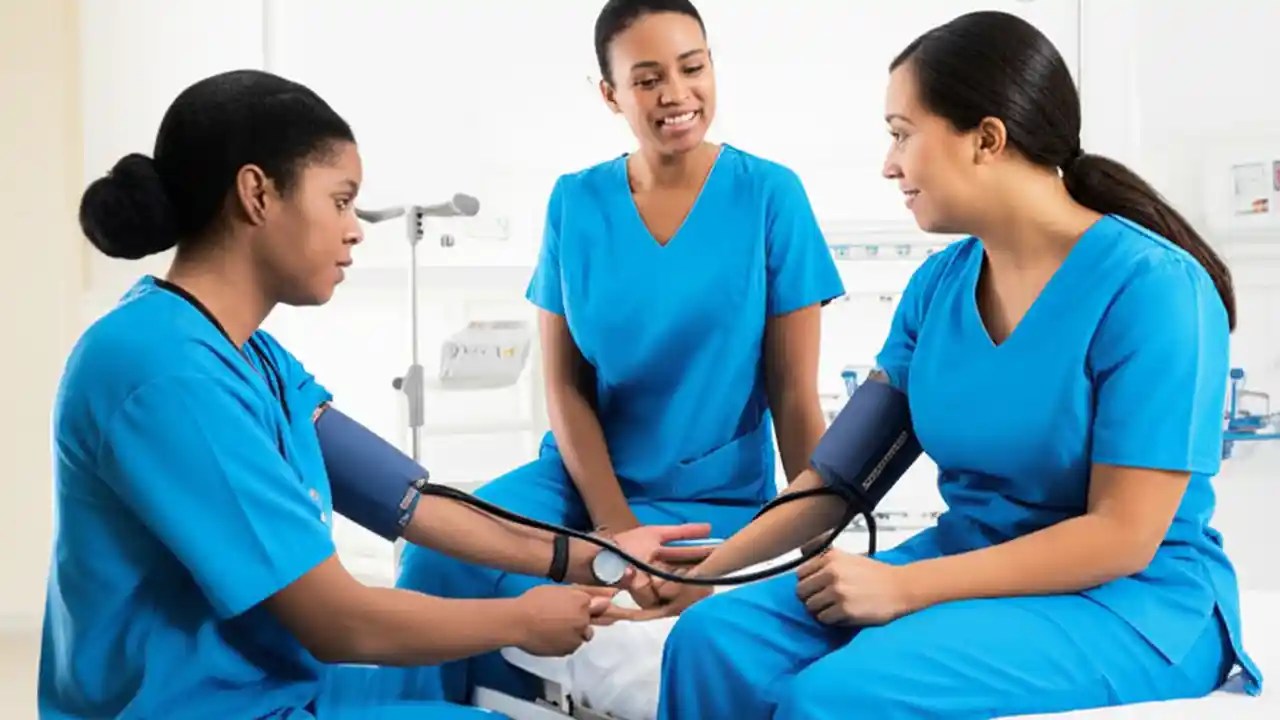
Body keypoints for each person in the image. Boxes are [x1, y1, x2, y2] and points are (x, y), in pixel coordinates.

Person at [38, 68, 710, 720]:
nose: (356, 227)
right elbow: (338, 623)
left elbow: (405, 500)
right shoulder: (160, 371)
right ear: (257, 194)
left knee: (455, 688)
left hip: (270, 682)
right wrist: (523, 618)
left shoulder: (244, 352)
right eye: (339, 199)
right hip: (200, 707)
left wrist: (587, 556)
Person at [653, 11, 1264, 719]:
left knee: (840, 695)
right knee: (712, 639)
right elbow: (839, 478)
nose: (889, 164)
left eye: (901, 134)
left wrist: (907, 588)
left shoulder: (1156, 290)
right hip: (967, 564)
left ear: (987, 139)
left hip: (1132, 602)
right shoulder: (939, 287)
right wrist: (711, 571)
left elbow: (1123, 536)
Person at [393, 0, 846, 706]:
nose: (676, 94)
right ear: (610, 94)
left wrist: (821, 535)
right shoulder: (575, 201)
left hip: (712, 499)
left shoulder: (769, 196)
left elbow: (793, 394)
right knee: (436, 551)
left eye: (693, 68)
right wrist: (615, 531)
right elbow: (566, 388)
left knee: (694, 604)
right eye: (647, 78)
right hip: (578, 486)